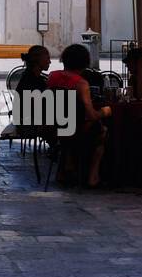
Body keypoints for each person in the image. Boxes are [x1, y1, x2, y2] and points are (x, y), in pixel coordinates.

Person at [47, 44, 110, 187]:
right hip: (76, 130)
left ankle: (66, 168)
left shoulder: (52, 77)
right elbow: (92, 115)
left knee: (69, 133)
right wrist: (104, 111)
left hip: (55, 127)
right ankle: (93, 176)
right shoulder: (81, 84)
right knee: (103, 132)